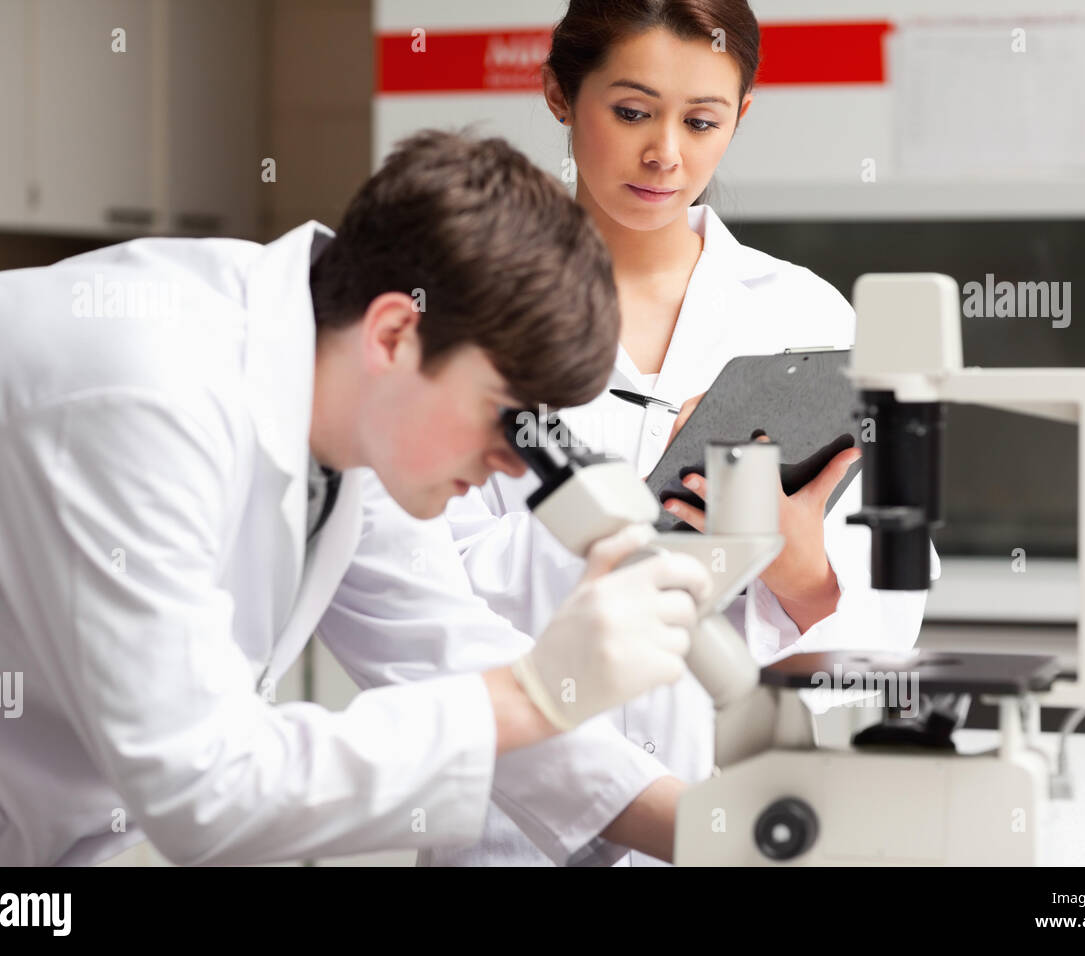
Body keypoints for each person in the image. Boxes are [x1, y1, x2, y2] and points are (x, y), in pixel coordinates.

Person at [0, 129, 713, 866]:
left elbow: (441, 647)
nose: (514, 465)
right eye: (505, 416)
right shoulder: (141, 391)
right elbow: (203, 789)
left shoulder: (342, 388)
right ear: (396, 333)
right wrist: (537, 692)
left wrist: (720, 835)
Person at [318, 0, 939, 866]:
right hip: (509, 833)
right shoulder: (472, 304)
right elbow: (411, 591)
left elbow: (888, 608)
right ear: (558, 96)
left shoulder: (803, 317)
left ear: (742, 115)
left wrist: (803, 573)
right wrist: (641, 525)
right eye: (634, 111)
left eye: (702, 120)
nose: (667, 155)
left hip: (736, 803)